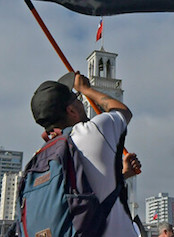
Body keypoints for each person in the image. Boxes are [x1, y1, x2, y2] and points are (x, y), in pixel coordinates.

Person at [29, 72, 140, 236]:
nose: (81, 101)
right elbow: (122, 111)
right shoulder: (92, 132)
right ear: (71, 110)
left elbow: (81, 194)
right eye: (77, 98)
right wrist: (86, 88)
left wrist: (121, 175)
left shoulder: (39, 158)